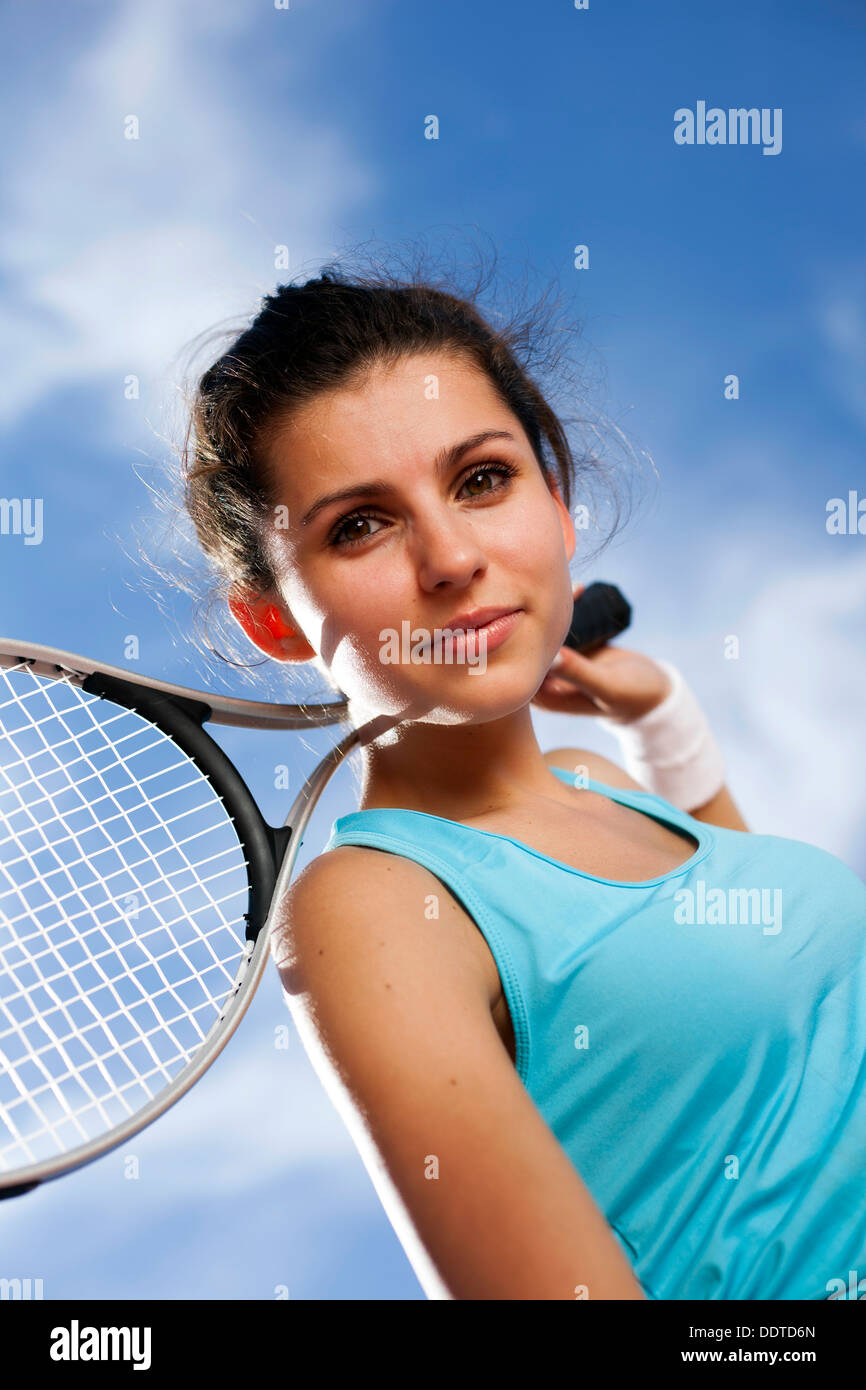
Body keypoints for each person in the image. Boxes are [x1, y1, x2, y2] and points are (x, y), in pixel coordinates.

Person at [178, 263, 866, 1301]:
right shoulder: (371, 908)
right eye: (359, 523)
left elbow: (776, 980)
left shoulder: (596, 778)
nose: (451, 556)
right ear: (273, 618)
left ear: (556, 505)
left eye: (480, 479)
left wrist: (662, 719)